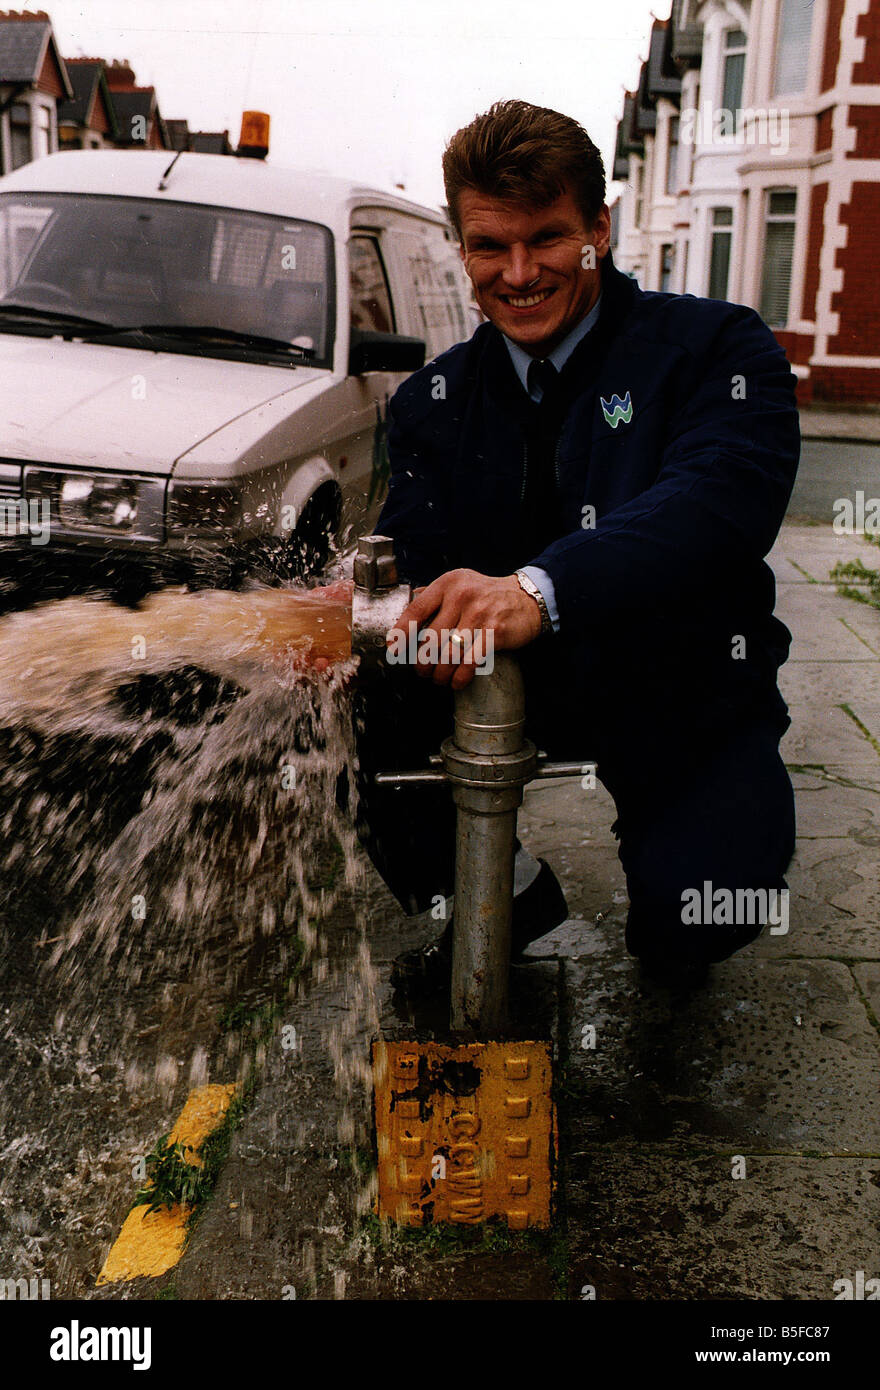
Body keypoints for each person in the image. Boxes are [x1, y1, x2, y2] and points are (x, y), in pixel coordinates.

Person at [353, 99, 798, 999]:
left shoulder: (717, 348)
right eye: (489, 247)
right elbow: (418, 546)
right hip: (508, 686)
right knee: (341, 707)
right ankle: (509, 898)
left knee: (714, 907)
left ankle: (678, 921)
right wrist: (368, 608)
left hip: (680, 684)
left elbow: (721, 502)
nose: (518, 275)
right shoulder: (430, 399)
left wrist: (541, 586)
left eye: (548, 239)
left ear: (600, 227)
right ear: (461, 243)